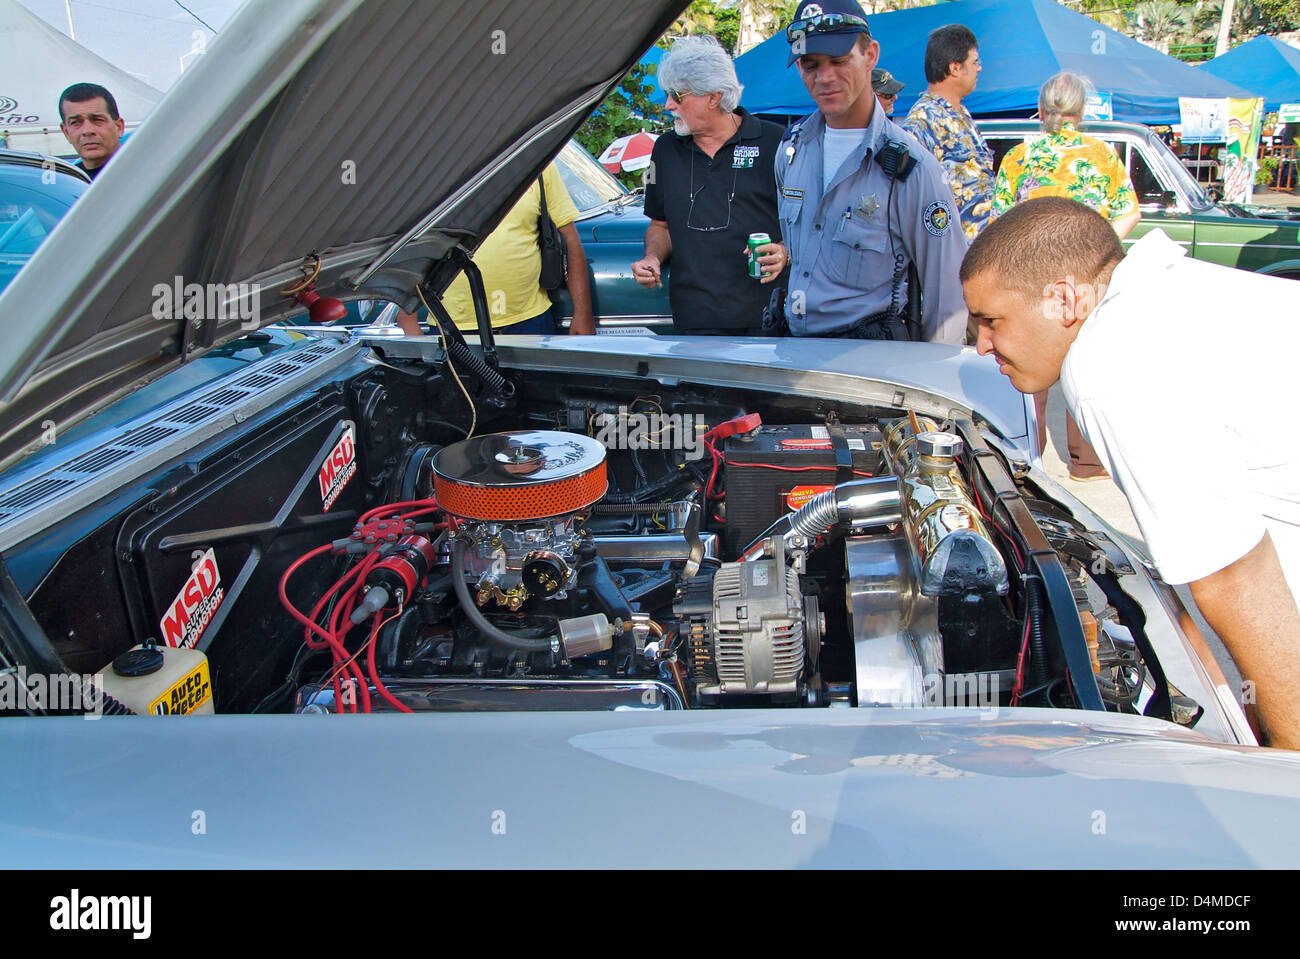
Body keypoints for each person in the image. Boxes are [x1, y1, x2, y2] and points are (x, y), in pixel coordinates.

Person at [961, 196, 1300, 749]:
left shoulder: (1110, 365)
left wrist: (1285, 774)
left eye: (992, 320)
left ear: (1064, 299)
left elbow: (1236, 576)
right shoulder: (1168, 295)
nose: (981, 344)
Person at [768, 0, 969, 342]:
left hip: (869, 366)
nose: (824, 77)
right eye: (810, 64)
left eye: (839, 60)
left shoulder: (912, 169)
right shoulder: (792, 151)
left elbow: (947, 299)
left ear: (871, 55)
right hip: (795, 353)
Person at [990, 71, 1141, 482]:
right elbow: (1130, 211)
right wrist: (1096, 247)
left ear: (1041, 110)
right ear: (1081, 110)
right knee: (1085, 363)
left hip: (1031, 279)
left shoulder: (1019, 156)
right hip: (1087, 279)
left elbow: (998, 219)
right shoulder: (1104, 154)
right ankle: (1087, 463)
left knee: (1031, 370)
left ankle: (1028, 461)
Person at [630, 35, 784, 334]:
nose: (668, 105)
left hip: (768, 323)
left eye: (677, 94)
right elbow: (660, 226)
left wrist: (784, 252)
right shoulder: (665, 149)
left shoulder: (776, 143)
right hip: (693, 324)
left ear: (713, 96)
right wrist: (652, 257)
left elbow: (809, 225)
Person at [397, 160, 594, 335]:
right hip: (451, 326)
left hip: (529, 321)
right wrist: (408, 317)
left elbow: (570, 239)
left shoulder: (538, 163)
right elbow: (412, 240)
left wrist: (583, 313)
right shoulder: (438, 168)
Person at [899, 24, 993, 240]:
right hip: (952, 255)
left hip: (980, 251)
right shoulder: (923, 121)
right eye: (975, 62)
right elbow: (907, 196)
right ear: (955, 68)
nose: (979, 68)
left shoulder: (962, 114)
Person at [58, 82, 124, 181]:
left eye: (97, 120)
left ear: (119, 127)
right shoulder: (66, 184)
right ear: (66, 132)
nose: (87, 131)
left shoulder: (146, 173)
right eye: (76, 123)